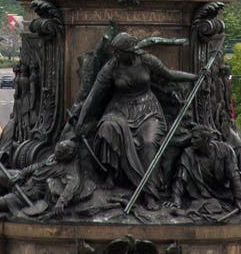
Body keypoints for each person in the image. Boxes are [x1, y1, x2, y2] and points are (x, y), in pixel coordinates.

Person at [75, 33, 196, 206]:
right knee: (108, 127)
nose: (115, 55)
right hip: (119, 109)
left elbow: (169, 74)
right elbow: (93, 96)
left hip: (147, 109)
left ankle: (150, 193)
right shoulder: (111, 67)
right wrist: (81, 121)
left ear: (130, 51)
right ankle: (112, 176)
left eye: (119, 52)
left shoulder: (147, 60)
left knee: (148, 143)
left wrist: (195, 77)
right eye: (114, 52)